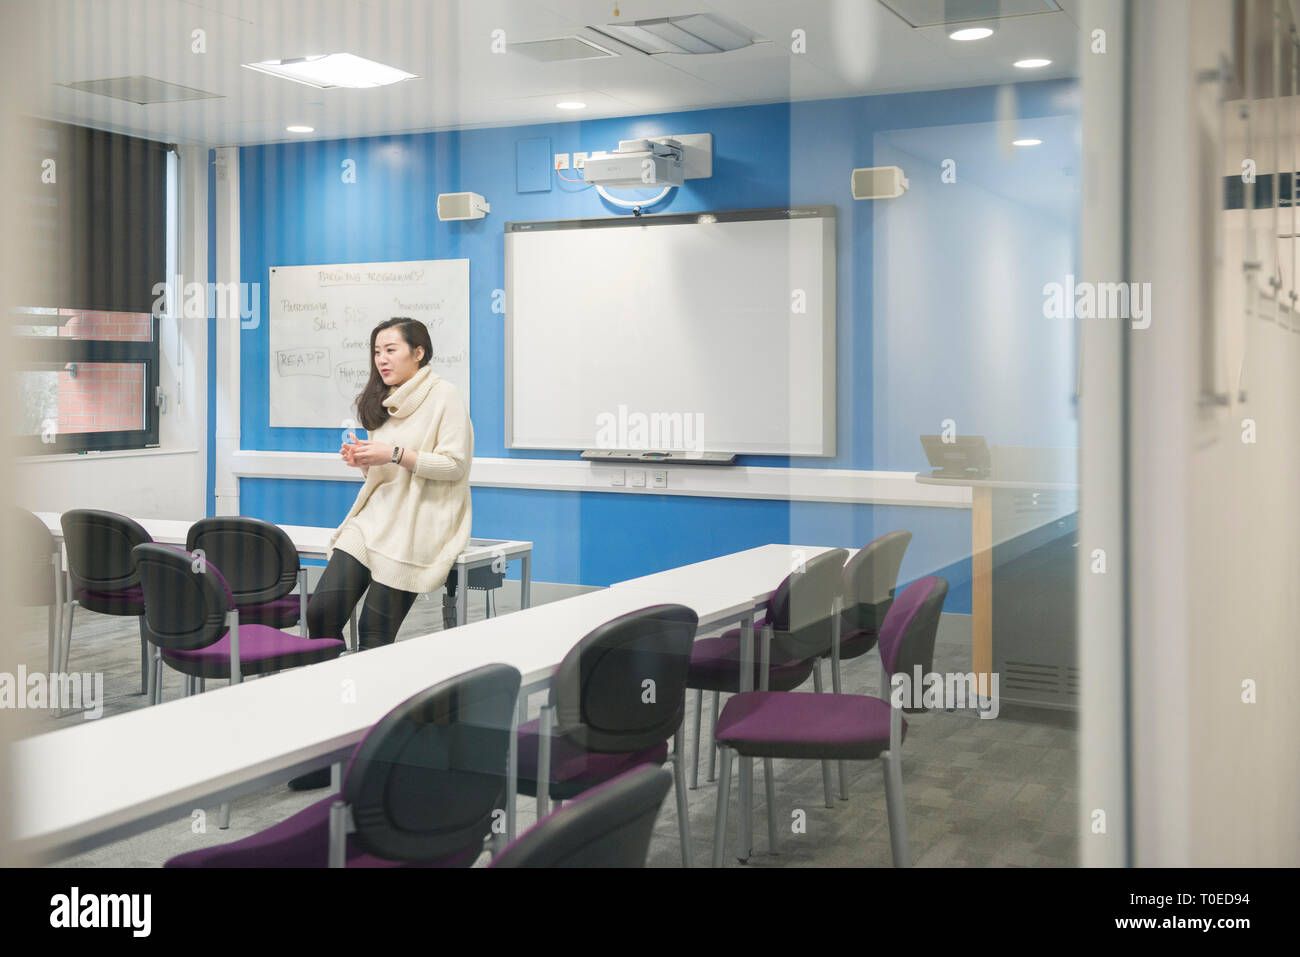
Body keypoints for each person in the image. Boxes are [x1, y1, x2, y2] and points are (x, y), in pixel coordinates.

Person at [290, 316, 472, 789]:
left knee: (374, 635)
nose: (382, 359)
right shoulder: (385, 404)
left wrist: (392, 454)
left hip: (418, 525)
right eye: (376, 351)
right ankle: (327, 742)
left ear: (419, 353)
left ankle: (372, 753)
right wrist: (366, 459)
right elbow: (387, 468)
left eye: (391, 349)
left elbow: (453, 466)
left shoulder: (444, 396)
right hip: (372, 521)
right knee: (321, 611)